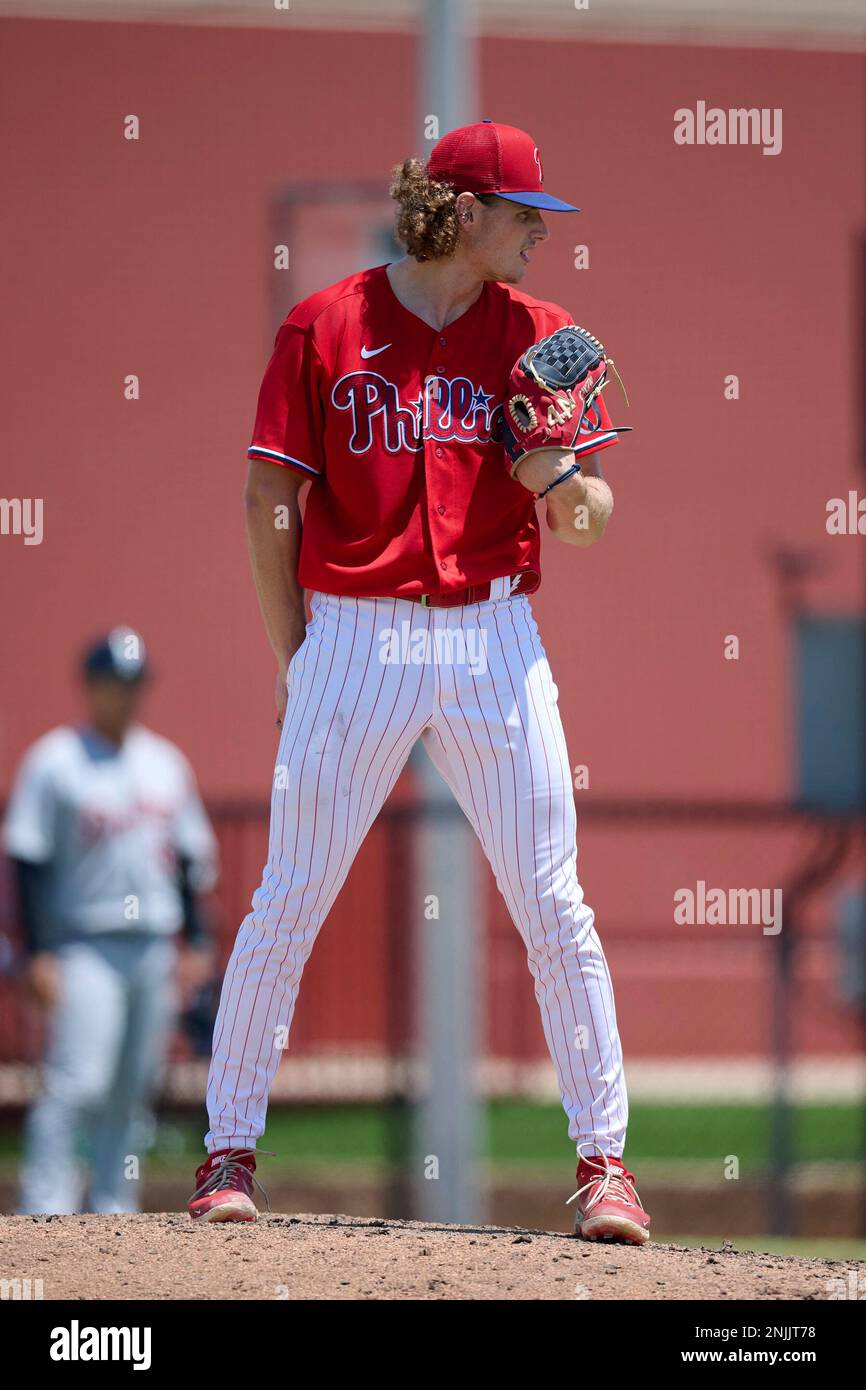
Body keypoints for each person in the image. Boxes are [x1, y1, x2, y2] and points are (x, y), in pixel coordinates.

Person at [189, 121, 650, 1243]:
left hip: (493, 637)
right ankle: (228, 1154)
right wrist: (298, 651)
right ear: (461, 211)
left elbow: (586, 521)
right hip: (352, 628)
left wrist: (554, 472)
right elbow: (266, 504)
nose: (539, 231)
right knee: (290, 898)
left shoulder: (541, 337)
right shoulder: (326, 326)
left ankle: (605, 1168)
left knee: (552, 900)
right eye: (520, 211)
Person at [3, 627, 218, 1214]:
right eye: (112, 683)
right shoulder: (56, 760)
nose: (123, 695)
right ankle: (45, 1206)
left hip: (152, 946)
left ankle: (111, 1209)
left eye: (132, 684)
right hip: (84, 945)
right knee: (79, 1082)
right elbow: (28, 860)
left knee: (132, 1089)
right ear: (91, 687)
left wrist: (195, 939)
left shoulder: (164, 763)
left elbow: (188, 859)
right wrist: (39, 952)